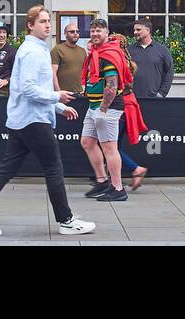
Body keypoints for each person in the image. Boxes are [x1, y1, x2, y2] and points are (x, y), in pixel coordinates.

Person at [0, 6, 95, 237]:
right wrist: (57, 97)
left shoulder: (35, 49)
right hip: (33, 120)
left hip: (23, 119)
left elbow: (35, 89)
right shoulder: (33, 52)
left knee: (6, 169)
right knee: (54, 167)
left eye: (48, 21)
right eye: (42, 21)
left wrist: (59, 107)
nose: (47, 25)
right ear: (30, 25)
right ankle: (66, 221)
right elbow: (27, 89)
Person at [79, 19, 147, 203]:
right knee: (87, 141)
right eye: (92, 31)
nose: (94, 34)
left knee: (110, 148)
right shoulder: (95, 53)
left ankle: (118, 189)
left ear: (107, 33)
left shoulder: (107, 55)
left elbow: (112, 86)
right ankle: (102, 181)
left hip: (107, 108)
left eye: (98, 31)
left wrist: (102, 110)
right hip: (94, 105)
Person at [129, 18, 174, 98]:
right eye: (134, 30)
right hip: (133, 99)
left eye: (138, 29)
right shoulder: (129, 51)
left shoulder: (162, 50)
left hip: (155, 100)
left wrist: (161, 93)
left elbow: (169, 72)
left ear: (148, 30)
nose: (135, 32)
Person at [51, 21, 85, 94]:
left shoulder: (82, 51)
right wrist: (58, 92)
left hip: (80, 93)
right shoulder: (57, 50)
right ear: (65, 34)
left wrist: (84, 89)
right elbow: (53, 73)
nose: (75, 33)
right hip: (63, 94)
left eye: (77, 32)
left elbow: (85, 72)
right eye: (72, 32)